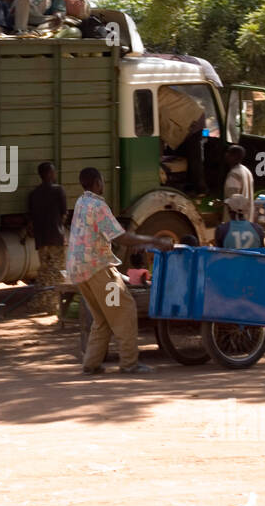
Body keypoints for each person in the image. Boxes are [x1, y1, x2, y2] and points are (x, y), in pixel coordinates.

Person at [67, 166, 174, 375]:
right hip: (99, 270)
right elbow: (121, 237)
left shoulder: (81, 202)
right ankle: (129, 363)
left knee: (103, 317)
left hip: (79, 270)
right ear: (98, 183)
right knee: (124, 309)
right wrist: (155, 241)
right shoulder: (98, 205)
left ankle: (91, 363)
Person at [27, 161, 68, 315]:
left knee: (44, 270)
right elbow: (64, 214)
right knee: (57, 271)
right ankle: (53, 306)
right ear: (50, 174)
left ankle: (40, 302)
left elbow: (31, 219)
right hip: (56, 237)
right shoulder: (58, 191)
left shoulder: (33, 194)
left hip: (41, 238)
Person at [157, 85, 207, 193]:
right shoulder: (153, 92)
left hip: (192, 120)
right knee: (184, 154)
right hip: (186, 117)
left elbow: (158, 130)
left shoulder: (153, 96)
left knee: (194, 158)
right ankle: (189, 186)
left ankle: (200, 188)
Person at [223, 144, 255, 212]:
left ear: (234, 156)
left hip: (236, 220)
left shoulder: (234, 174)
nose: (226, 155)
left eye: (228, 153)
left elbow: (233, 201)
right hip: (246, 218)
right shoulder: (246, 171)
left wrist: (220, 203)